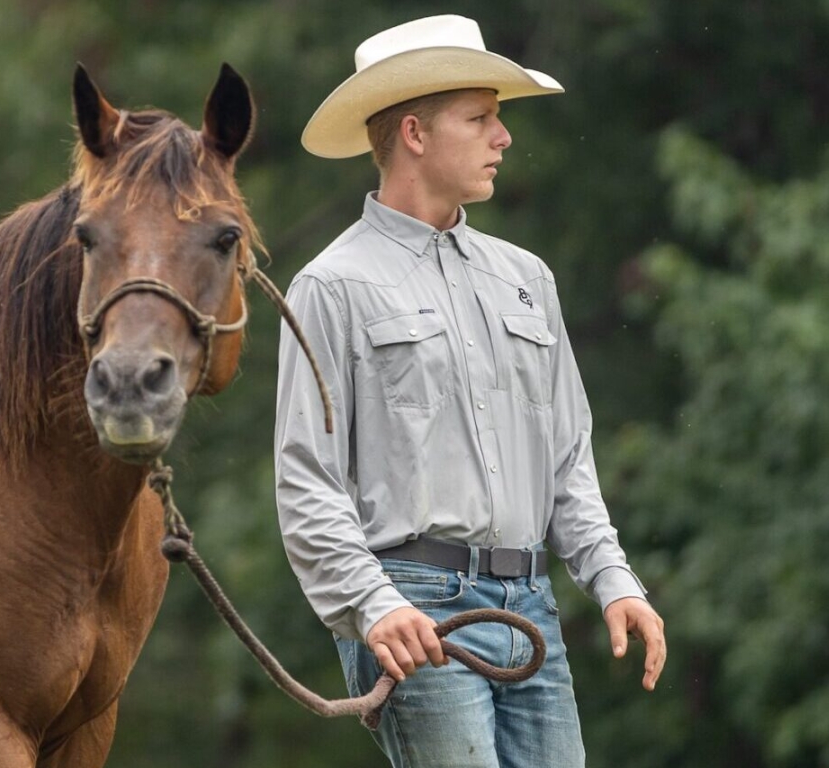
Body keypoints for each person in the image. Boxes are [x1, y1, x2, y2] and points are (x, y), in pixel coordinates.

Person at [273, 14, 666, 767]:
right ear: (415, 133)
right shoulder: (329, 287)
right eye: (480, 118)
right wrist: (374, 605)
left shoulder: (527, 279)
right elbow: (307, 482)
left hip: (532, 610)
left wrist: (615, 580)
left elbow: (568, 462)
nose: (504, 137)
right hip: (413, 611)